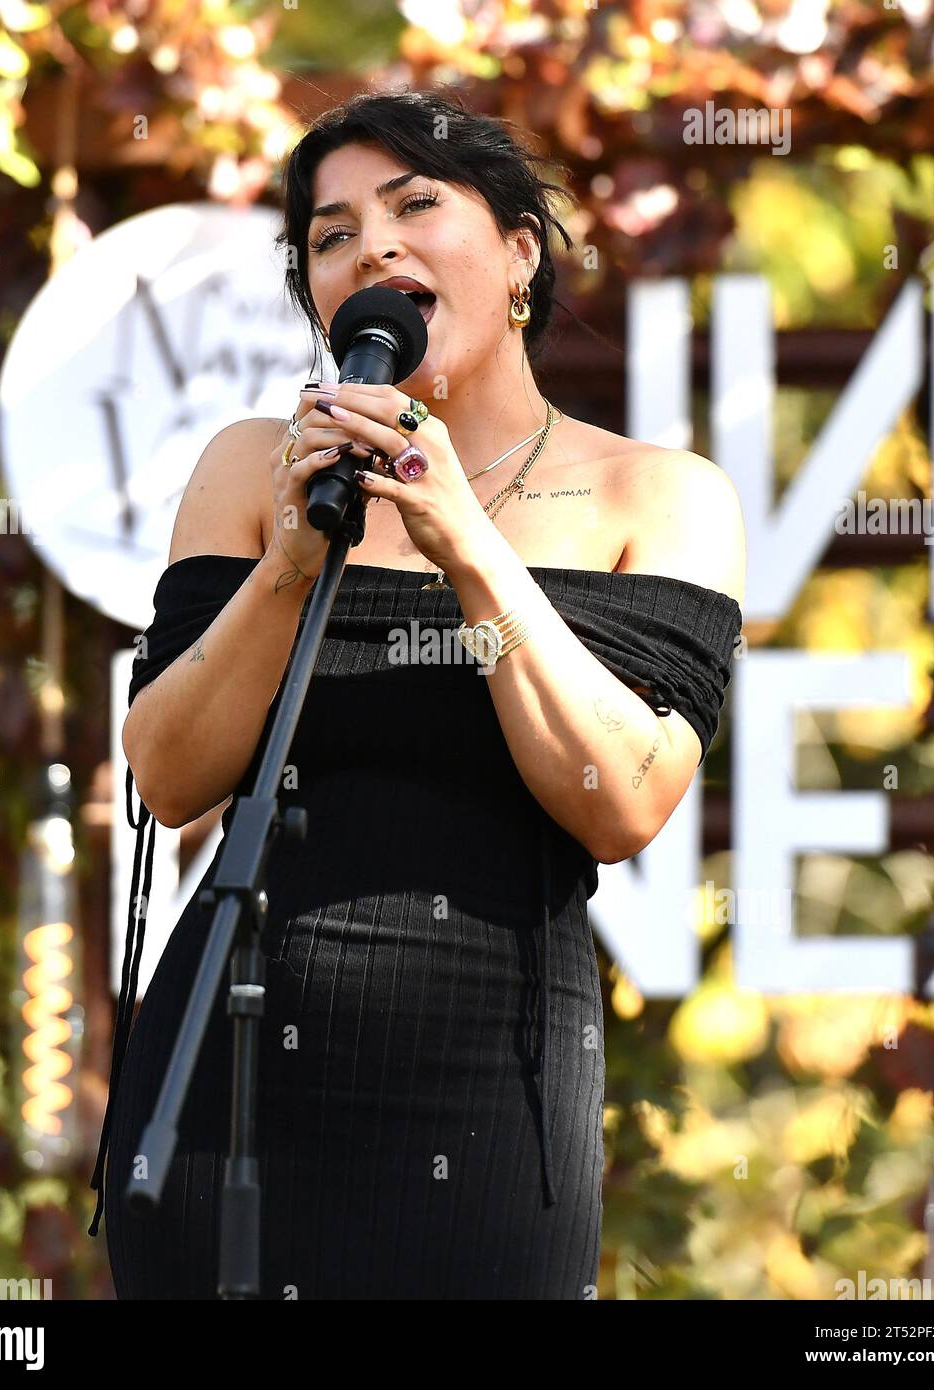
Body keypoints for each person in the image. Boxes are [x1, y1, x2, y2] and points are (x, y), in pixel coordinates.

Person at [88, 86, 745, 1299]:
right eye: (331, 236)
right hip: (230, 1079)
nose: (370, 248)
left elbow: (625, 801)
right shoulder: (255, 468)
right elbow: (170, 774)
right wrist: (289, 561)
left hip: (484, 1108)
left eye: (413, 205)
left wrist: (467, 548)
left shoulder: (655, 496)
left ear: (517, 258)